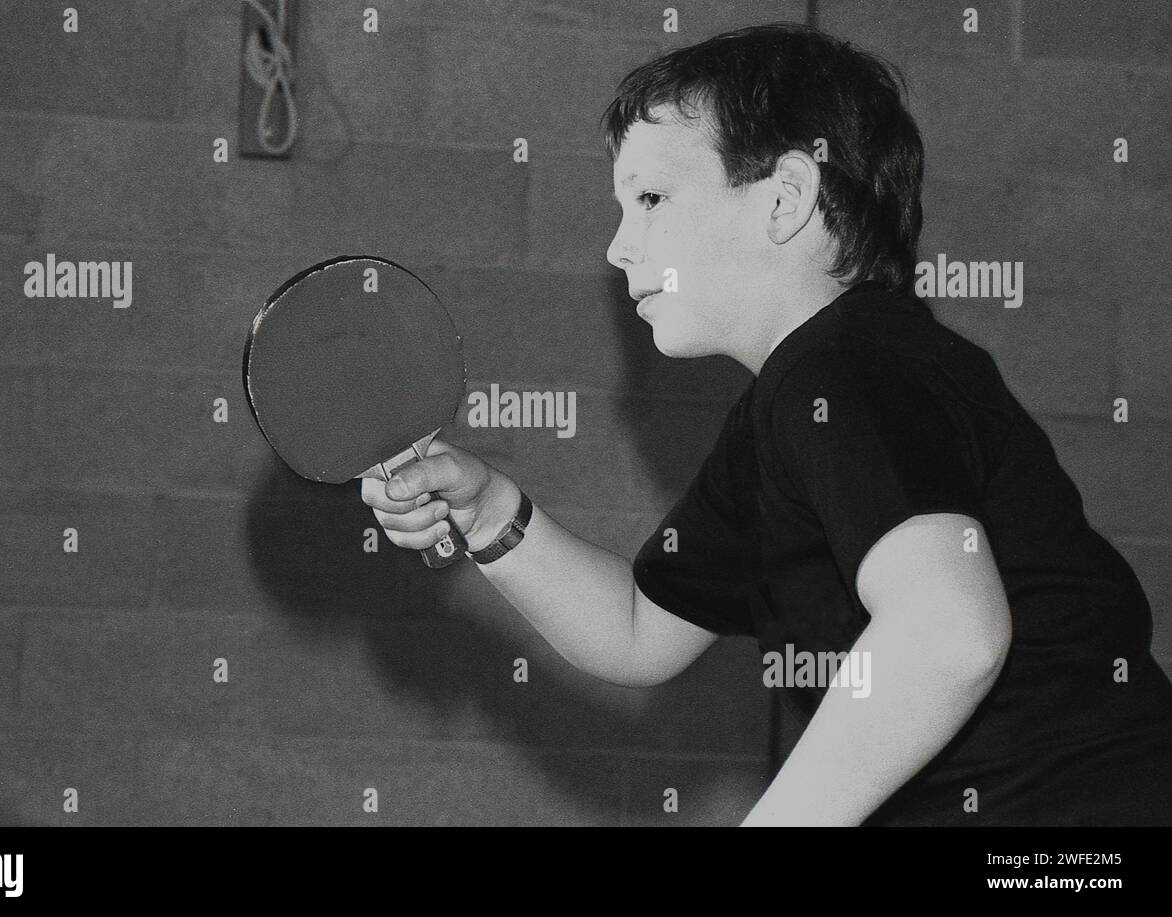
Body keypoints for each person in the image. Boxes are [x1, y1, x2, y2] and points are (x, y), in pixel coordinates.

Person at [360, 23, 1172, 826]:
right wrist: (492, 514)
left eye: (650, 198)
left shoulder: (847, 365)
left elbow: (949, 634)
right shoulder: (788, 409)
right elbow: (640, 631)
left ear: (785, 198)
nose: (616, 247)